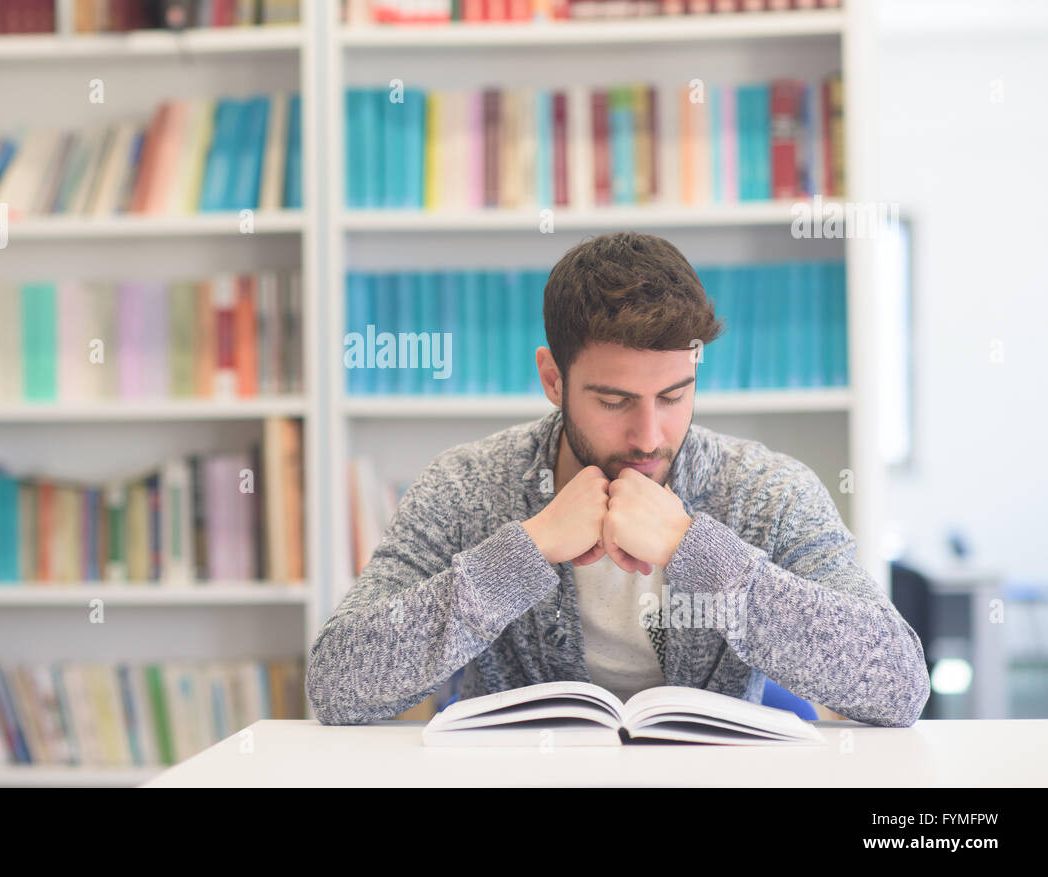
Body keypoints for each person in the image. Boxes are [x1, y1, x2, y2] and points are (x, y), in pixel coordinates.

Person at [307, 232, 930, 727]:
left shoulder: (766, 491)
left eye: (675, 395)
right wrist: (521, 555)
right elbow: (337, 683)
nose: (650, 435)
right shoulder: (464, 487)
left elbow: (899, 684)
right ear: (553, 380)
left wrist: (701, 554)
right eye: (613, 401)